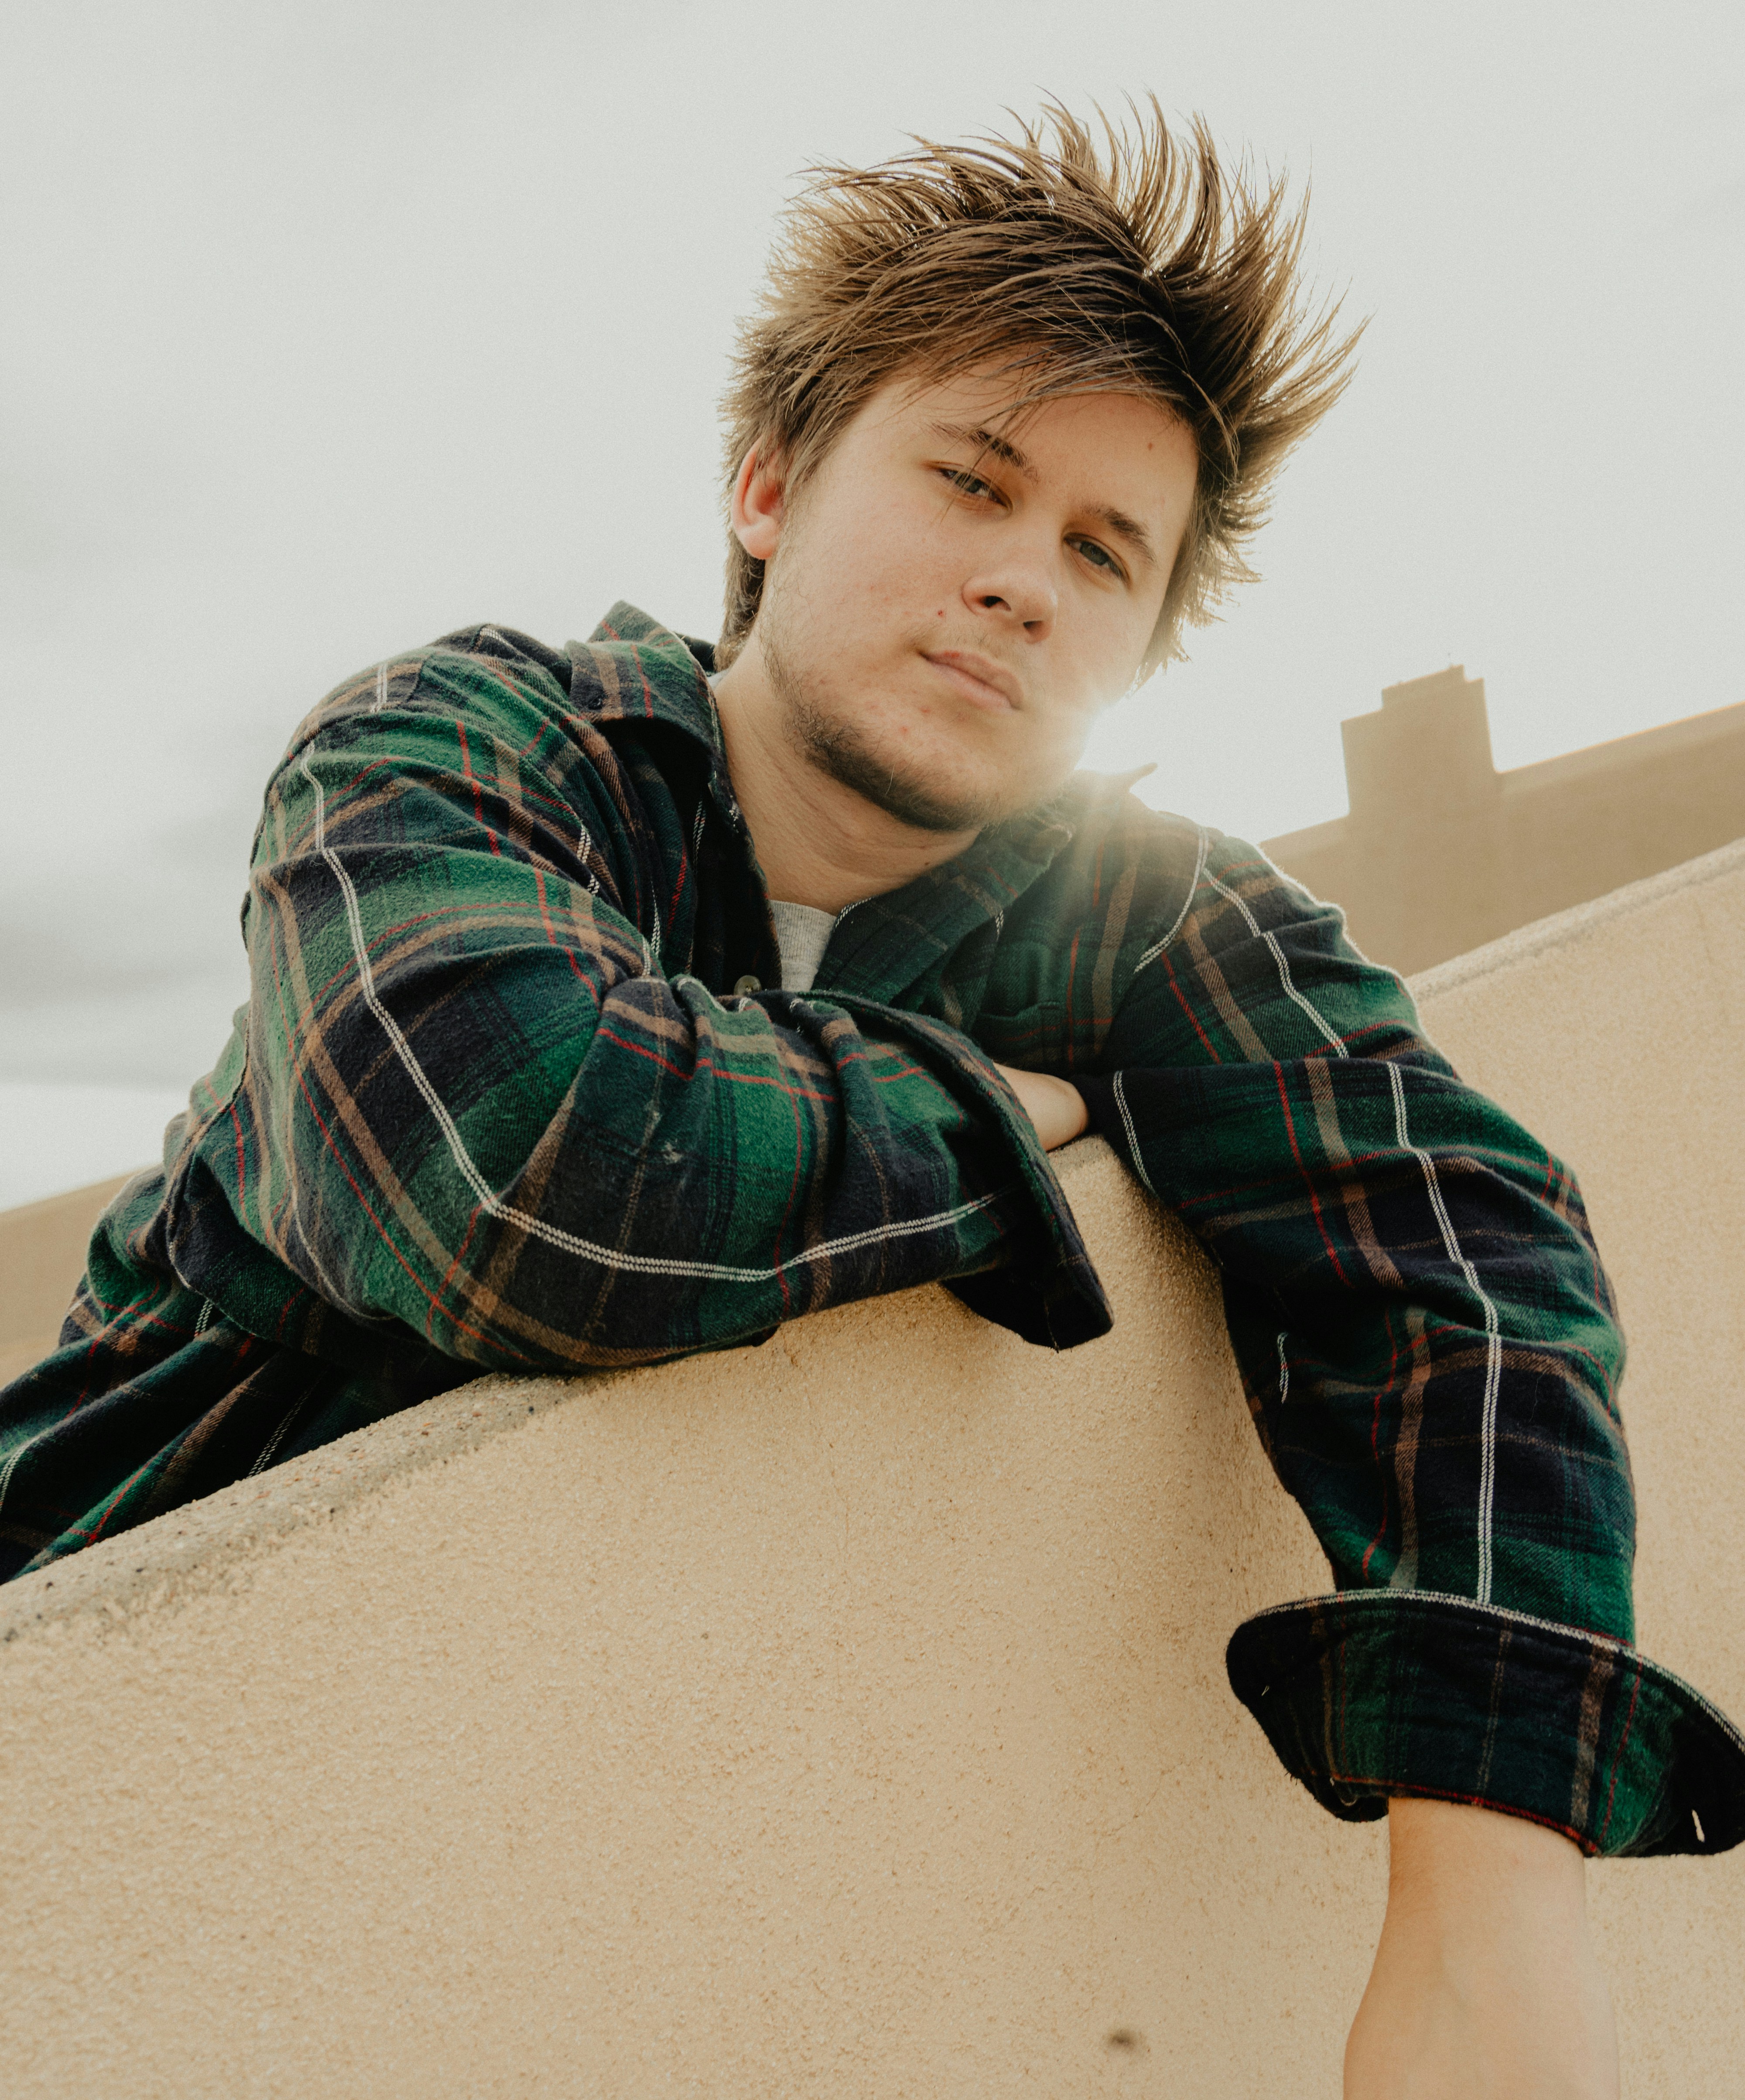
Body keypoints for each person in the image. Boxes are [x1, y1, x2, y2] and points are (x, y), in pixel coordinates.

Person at [2, 102, 1739, 2095]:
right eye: (970, 482)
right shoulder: (469, 744)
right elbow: (526, 1172)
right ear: (766, 486)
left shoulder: (1137, 913)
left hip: (597, 1897)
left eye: (1100, 552)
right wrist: (1003, 1112)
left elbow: (1464, 1248)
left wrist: (1485, 1923)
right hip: (98, 1764)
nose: (1024, 581)